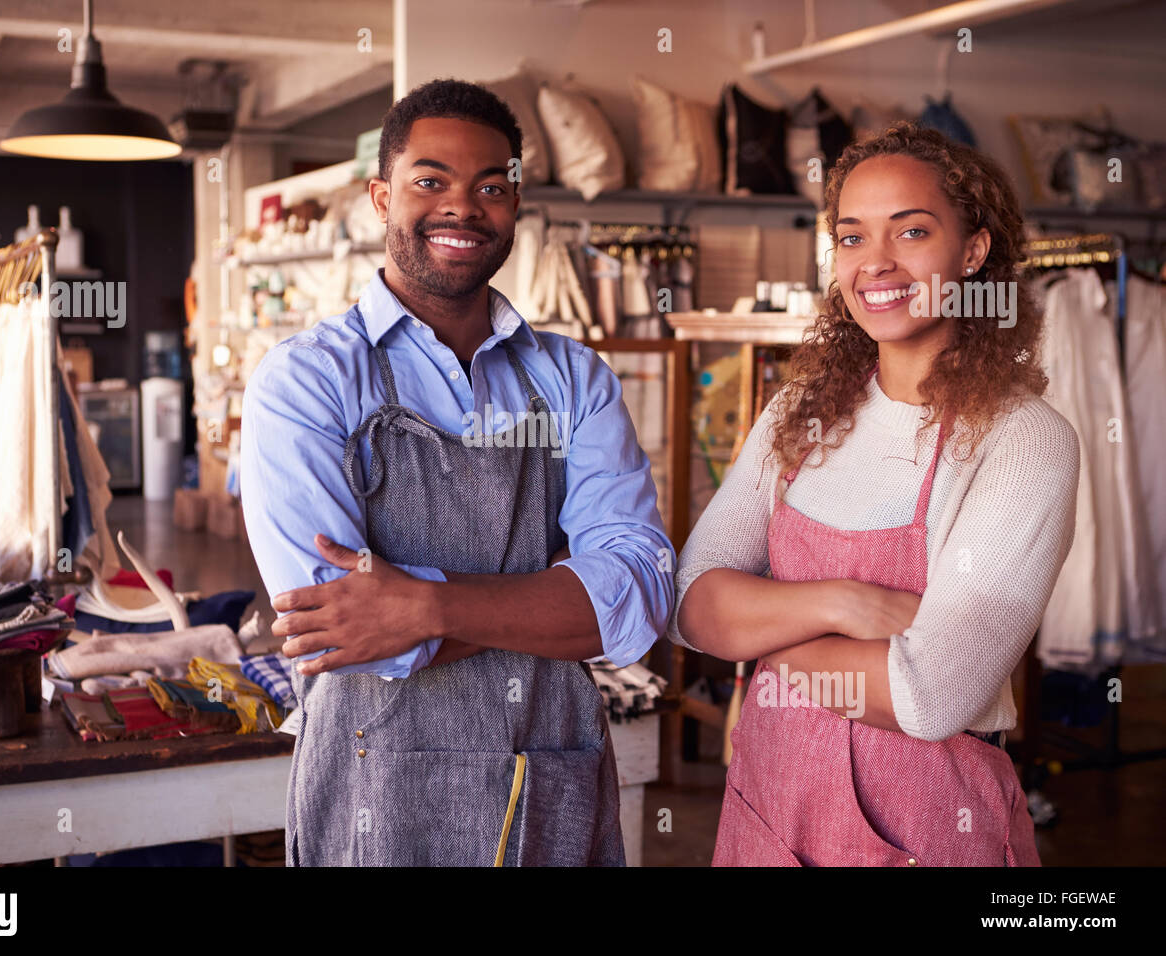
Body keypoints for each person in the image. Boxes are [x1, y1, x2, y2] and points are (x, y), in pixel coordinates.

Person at [240, 79, 673, 866]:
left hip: (548, 773)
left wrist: (422, 606)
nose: (462, 208)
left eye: (491, 188)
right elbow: (339, 631)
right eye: (430, 181)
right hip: (375, 791)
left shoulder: (574, 377)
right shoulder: (306, 382)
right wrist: (550, 594)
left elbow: (636, 594)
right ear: (381, 197)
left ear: (516, 206)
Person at [671, 122, 1079, 867]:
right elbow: (692, 608)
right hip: (769, 803)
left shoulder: (1022, 440)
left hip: (924, 822)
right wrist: (844, 604)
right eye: (851, 237)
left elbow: (930, 697)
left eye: (912, 230)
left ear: (974, 250)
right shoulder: (798, 411)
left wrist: (759, 631)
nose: (876, 263)